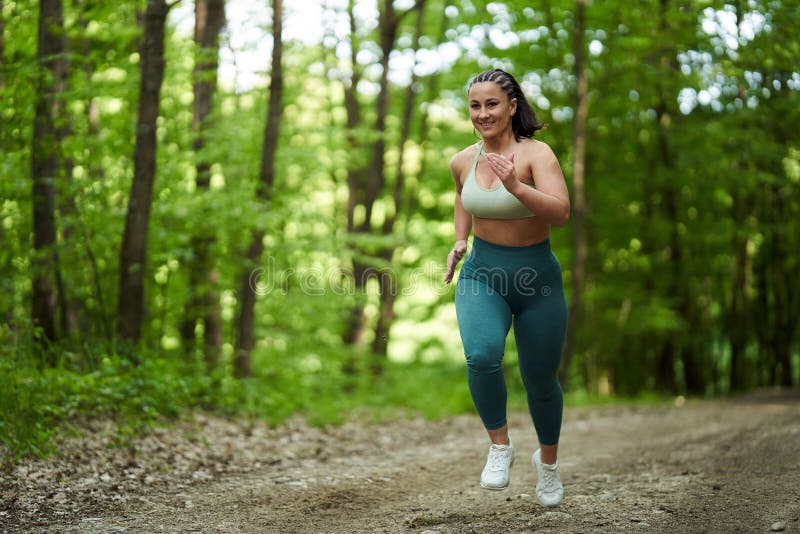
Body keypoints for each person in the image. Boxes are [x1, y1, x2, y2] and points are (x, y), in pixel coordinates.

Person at [443, 68, 570, 507]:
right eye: (475, 105)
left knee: (540, 378)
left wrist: (516, 185)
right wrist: (460, 240)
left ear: (512, 106)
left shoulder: (538, 155)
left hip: (539, 282)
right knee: (480, 355)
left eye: (492, 103)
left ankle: (548, 467)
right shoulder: (462, 160)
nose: (483, 113)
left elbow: (561, 213)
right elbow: (463, 197)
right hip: (483, 275)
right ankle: (500, 446)